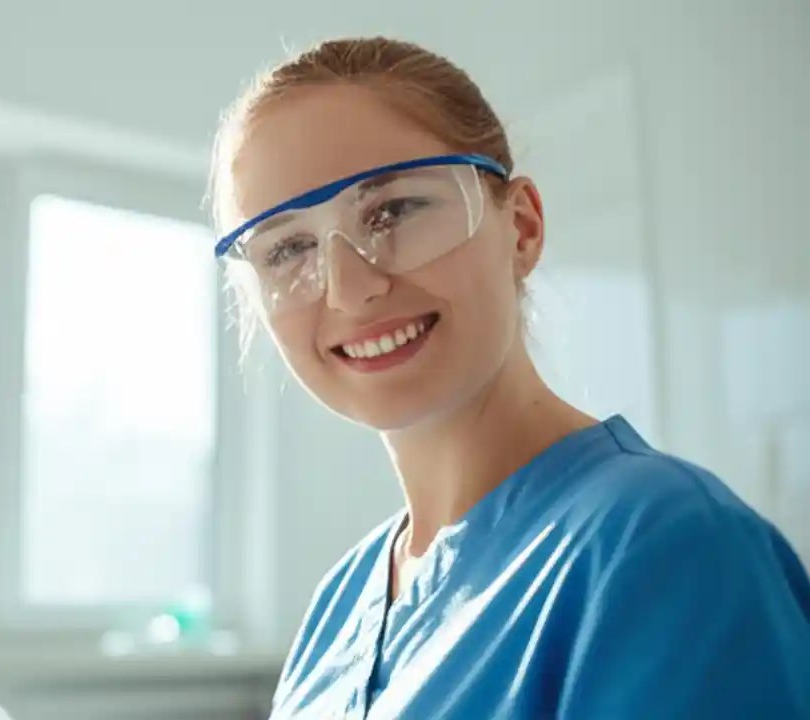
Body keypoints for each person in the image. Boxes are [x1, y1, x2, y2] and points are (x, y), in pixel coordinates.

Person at [208, 36, 810, 719]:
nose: (350, 289)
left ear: (520, 228)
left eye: (394, 211)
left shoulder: (669, 549)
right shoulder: (337, 608)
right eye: (288, 248)